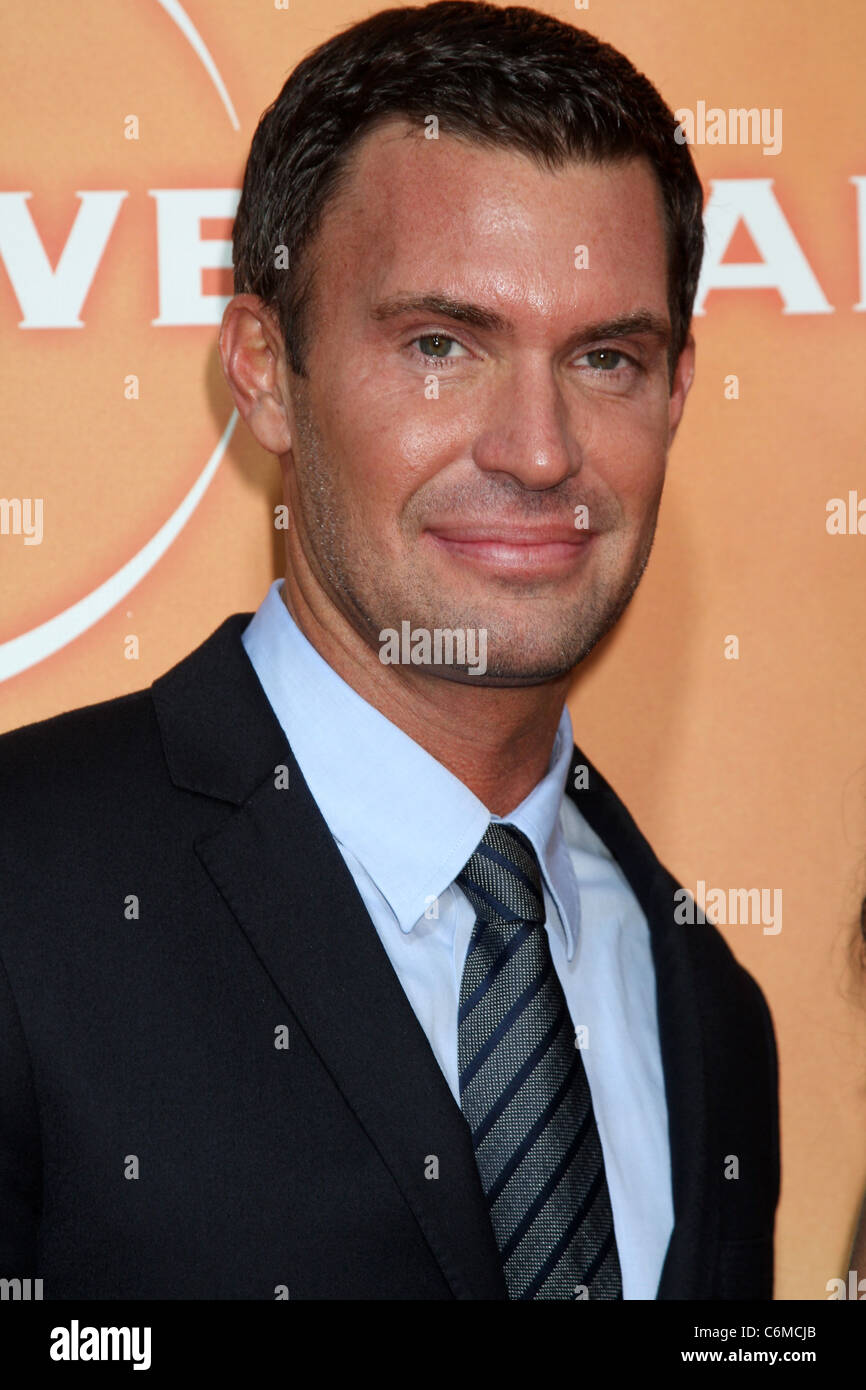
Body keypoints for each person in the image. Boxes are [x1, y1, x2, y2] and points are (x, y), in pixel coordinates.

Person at [0, 1, 779, 1300]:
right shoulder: (26, 891)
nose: (536, 450)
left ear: (676, 391)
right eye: (439, 345)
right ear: (261, 368)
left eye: (604, 356)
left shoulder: (704, 1000)